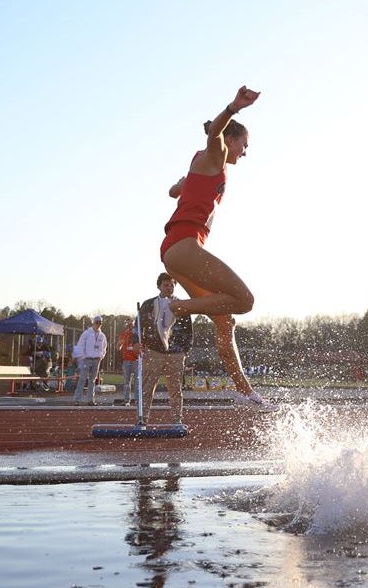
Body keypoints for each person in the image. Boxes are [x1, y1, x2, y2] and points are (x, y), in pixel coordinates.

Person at [160, 85, 274, 413]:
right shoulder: (215, 155)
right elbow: (214, 135)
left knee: (225, 320)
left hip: (175, 250)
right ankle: (174, 309)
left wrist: (181, 187)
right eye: (245, 145)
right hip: (184, 244)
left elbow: (173, 190)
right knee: (245, 301)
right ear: (232, 139)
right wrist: (234, 107)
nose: (245, 152)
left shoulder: (202, 163)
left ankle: (245, 391)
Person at [138, 273, 194, 424]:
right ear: (159, 286)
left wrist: (185, 350)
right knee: (147, 387)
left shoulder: (182, 305)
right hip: (153, 350)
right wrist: (137, 341)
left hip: (176, 352)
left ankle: (177, 419)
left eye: (172, 285)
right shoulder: (149, 304)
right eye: (166, 285)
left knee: (175, 388)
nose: (169, 288)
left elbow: (188, 329)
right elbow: (139, 325)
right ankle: (143, 418)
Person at [73, 316, 109, 405]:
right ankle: (77, 400)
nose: (98, 324)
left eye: (100, 323)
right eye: (97, 322)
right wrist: (82, 357)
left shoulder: (102, 335)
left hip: (96, 360)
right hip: (87, 359)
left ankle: (90, 400)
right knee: (82, 379)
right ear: (93, 322)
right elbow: (80, 345)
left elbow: (104, 347)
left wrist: (101, 356)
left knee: (92, 381)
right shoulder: (86, 333)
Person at [118, 318, 140, 405]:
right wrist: (120, 344)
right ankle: (127, 400)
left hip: (136, 359)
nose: (129, 325)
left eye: (131, 323)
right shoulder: (124, 333)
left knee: (137, 381)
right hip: (127, 360)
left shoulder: (137, 333)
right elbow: (118, 346)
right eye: (127, 323)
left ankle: (137, 399)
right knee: (127, 381)